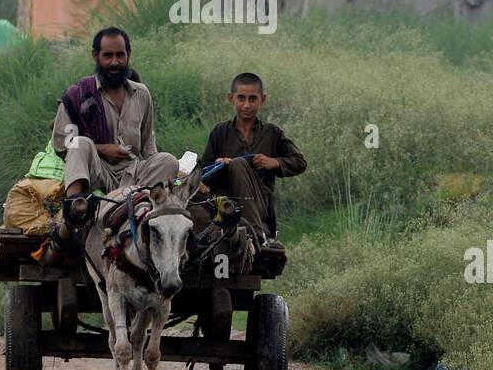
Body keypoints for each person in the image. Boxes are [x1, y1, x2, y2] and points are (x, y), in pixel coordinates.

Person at [51, 27, 179, 203]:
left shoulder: (141, 94)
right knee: (79, 143)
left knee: (168, 161)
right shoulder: (79, 94)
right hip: (98, 171)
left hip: (135, 175)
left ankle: (135, 203)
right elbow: (61, 144)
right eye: (108, 55)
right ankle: (75, 210)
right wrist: (102, 149)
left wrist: (162, 173)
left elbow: (148, 146)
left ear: (129, 55)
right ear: (95, 56)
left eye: (120, 55)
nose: (114, 62)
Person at [200, 72, 306, 243]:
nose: (246, 105)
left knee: (239, 164)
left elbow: (300, 162)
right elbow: (204, 172)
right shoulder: (220, 131)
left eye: (252, 99)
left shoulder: (272, 133)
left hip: (259, 204)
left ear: (262, 100)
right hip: (226, 202)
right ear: (231, 98)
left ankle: (255, 233)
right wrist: (220, 164)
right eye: (241, 98)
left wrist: (274, 162)